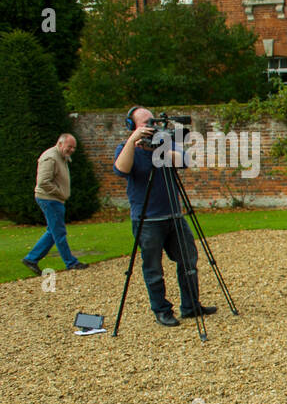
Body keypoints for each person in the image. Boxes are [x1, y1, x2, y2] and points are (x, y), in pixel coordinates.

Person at [113, 106, 215, 327]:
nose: (151, 127)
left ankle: (190, 305)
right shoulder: (126, 148)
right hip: (147, 219)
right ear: (132, 127)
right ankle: (161, 309)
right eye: (145, 124)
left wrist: (161, 149)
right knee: (153, 268)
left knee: (188, 260)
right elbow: (121, 169)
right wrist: (134, 142)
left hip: (174, 215)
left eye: (153, 122)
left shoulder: (165, 147)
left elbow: (185, 161)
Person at [21, 133, 89, 275]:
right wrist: (60, 193)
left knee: (53, 231)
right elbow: (43, 182)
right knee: (59, 232)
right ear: (60, 143)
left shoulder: (61, 156)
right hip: (49, 199)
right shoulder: (50, 157)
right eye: (69, 146)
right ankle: (71, 263)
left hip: (55, 200)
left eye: (74, 148)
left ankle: (31, 259)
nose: (71, 150)